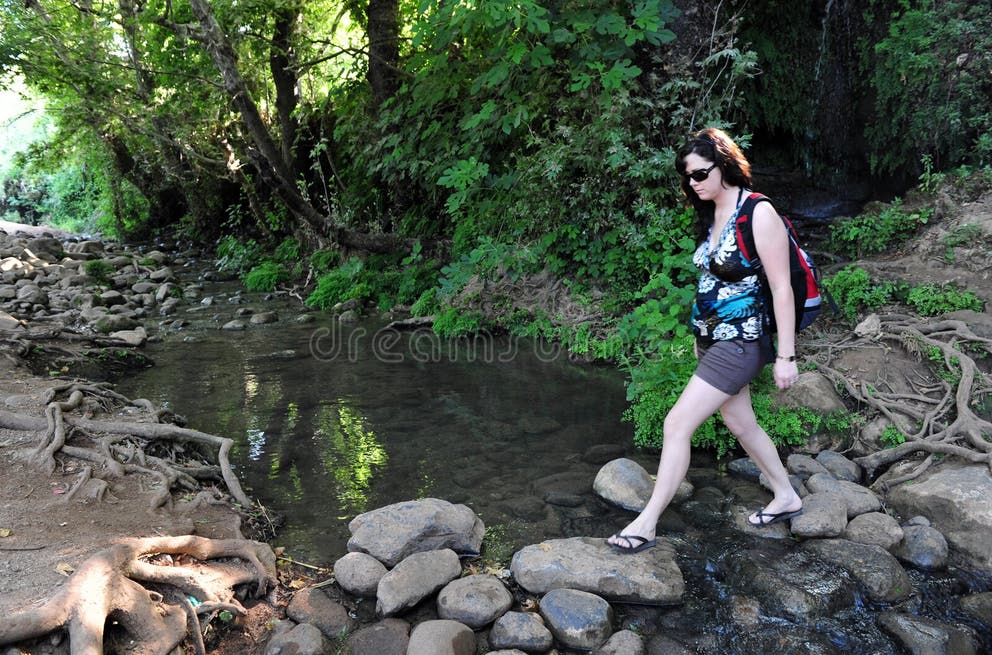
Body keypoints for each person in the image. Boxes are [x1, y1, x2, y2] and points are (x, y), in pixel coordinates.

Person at [607, 127, 804, 553]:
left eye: (700, 174)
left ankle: (646, 523)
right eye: (687, 177)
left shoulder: (758, 212)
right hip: (711, 340)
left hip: (741, 341)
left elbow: (782, 288)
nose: (693, 183)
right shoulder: (712, 212)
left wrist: (786, 355)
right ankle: (786, 495)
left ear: (725, 165)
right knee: (740, 422)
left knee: (676, 424)